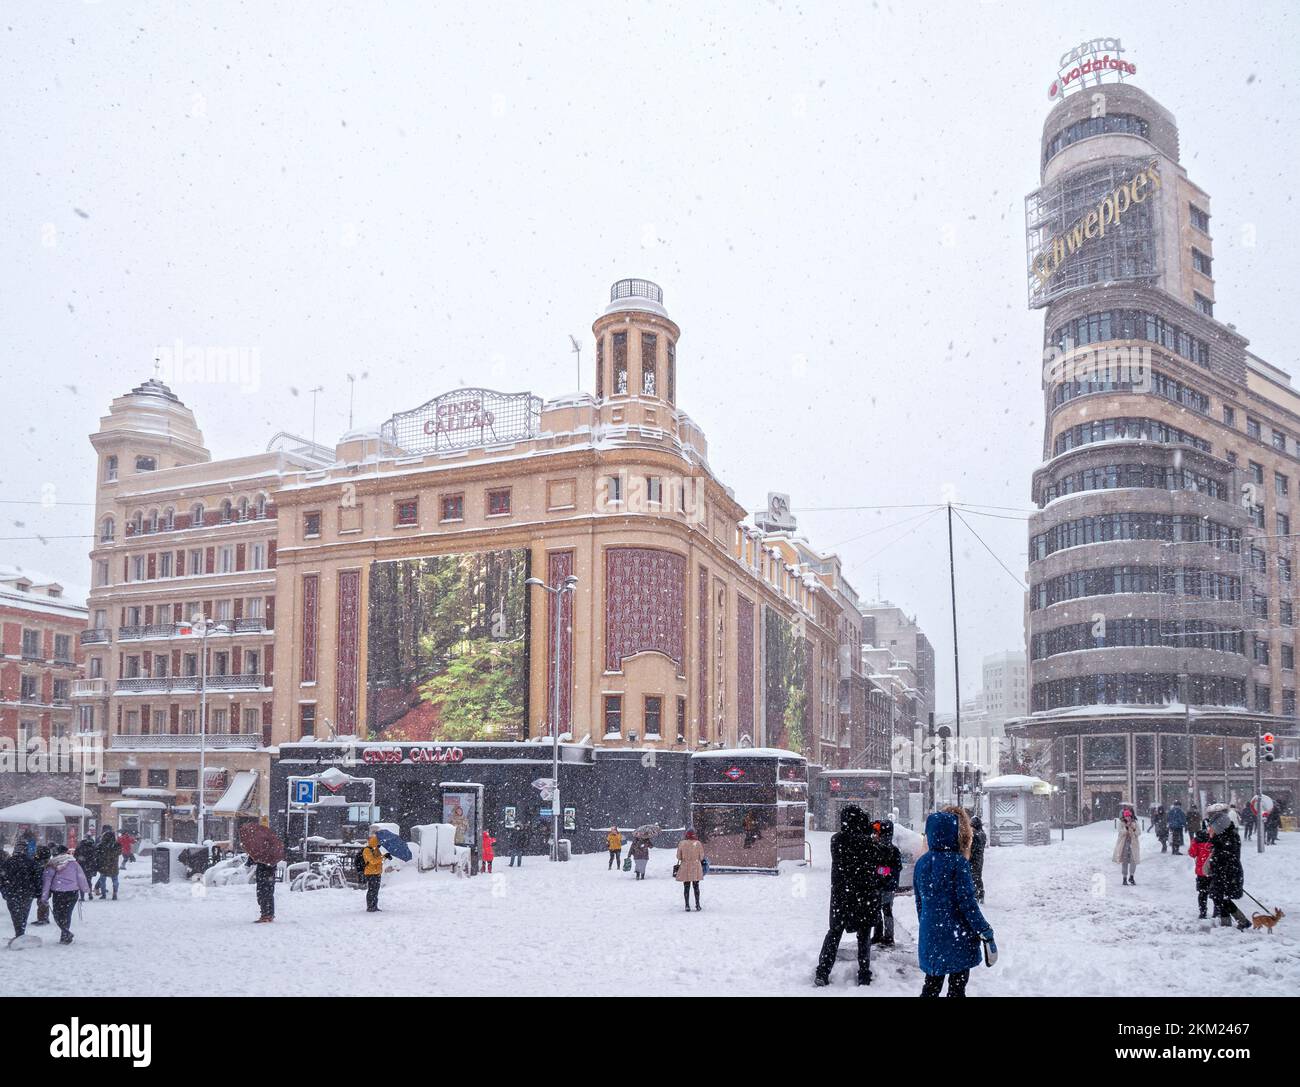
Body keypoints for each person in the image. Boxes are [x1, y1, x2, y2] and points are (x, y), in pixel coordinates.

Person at [914, 810, 995, 997]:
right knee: (957, 987)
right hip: (958, 937)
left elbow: (920, 904)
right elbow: (968, 904)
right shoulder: (958, 863)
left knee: (931, 985)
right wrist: (984, 930)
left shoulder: (922, 863)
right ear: (953, 831)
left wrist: (929, 926)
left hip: (932, 934)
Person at [815, 805, 881, 986]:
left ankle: (822, 971)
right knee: (864, 935)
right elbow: (877, 862)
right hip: (864, 895)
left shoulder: (836, 840)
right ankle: (864, 973)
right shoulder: (868, 843)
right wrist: (871, 831)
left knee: (834, 933)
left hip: (841, 896)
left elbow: (851, 843)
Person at [1206, 805, 1251, 930]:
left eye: (1213, 827)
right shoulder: (1223, 837)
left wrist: (1215, 859)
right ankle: (1230, 922)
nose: (1211, 830)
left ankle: (1236, 921)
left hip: (1228, 873)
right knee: (1220, 898)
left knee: (1222, 898)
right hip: (1224, 873)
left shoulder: (1229, 838)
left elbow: (1227, 857)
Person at [40, 845, 90, 945]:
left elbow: (47, 881)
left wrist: (44, 896)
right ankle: (65, 934)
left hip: (59, 893)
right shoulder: (74, 863)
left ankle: (65, 933)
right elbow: (81, 876)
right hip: (72, 892)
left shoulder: (52, 864)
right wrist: (85, 888)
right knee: (67, 914)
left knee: (57, 915)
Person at [0, 842, 43, 946]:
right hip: (27, 892)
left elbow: (1, 878)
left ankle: (19, 933)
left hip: (12, 892)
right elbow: (38, 878)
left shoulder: (7, 862)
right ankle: (20, 933)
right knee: (24, 913)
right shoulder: (31, 863)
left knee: (15, 914)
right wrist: (38, 892)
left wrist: (4, 891)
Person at [869, 817, 902, 948]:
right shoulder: (888, 849)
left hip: (886, 885)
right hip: (885, 885)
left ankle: (886, 936)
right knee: (882, 910)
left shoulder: (890, 850)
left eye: (878, 833)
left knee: (885, 910)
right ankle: (883, 935)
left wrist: (880, 870)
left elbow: (894, 869)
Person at [1188, 829, 1216, 920]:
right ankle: (1217, 912)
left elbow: (1192, 853)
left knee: (1202, 893)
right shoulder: (1215, 838)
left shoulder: (1198, 839)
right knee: (1216, 893)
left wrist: (1194, 843)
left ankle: (1203, 912)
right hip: (1214, 870)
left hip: (1202, 871)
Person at [675, 829, 705, 912]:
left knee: (686, 886)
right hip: (695, 866)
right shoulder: (698, 843)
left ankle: (687, 905)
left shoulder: (682, 843)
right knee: (696, 886)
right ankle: (697, 905)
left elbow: (678, 857)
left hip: (685, 866)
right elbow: (701, 857)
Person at [361, 833, 390, 913]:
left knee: (376, 891)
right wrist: (383, 857)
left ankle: (375, 906)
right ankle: (370, 907)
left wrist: (386, 856)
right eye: (378, 843)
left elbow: (379, 860)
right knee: (371, 890)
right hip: (370, 873)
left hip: (377, 873)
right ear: (374, 842)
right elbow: (373, 861)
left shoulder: (376, 849)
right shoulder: (367, 850)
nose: (379, 844)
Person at [1113, 806, 1141, 885]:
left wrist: (1133, 829)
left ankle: (1131, 876)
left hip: (1133, 844)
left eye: (1129, 816)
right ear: (1124, 816)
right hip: (1124, 844)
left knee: (1133, 860)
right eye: (1126, 816)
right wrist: (1126, 828)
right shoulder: (1121, 824)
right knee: (1124, 861)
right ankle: (1124, 878)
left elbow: (1138, 833)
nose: (1128, 817)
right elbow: (1120, 833)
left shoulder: (1134, 823)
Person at [245, 856, 277, 923]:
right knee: (269, 894)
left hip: (262, 874)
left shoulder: (260, 849)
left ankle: (265, 914)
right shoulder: (274, 850)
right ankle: (269, 914)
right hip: (270, 874)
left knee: (262, 894)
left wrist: (250, 860)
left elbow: (252, 860)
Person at [95, 826, 121, 900]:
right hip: (114, 865)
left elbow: (96, 853)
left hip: (104, 865)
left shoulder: (101, 845)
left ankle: (103, 894)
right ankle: (115, 893)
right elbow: (119, 853)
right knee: (115, 880)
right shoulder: (117, 845)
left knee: (102, 880)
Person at [73, 836, 99, 903]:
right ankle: (90, 894)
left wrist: (80, 858)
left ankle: (82, 897)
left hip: (81, 867)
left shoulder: (80, 847)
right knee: (89, 881)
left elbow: (75, 856)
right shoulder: (93, 848)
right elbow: (96, 857)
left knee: (81, 881)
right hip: (90, 867)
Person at [968, 816, 988, 903]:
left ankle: (976, 895)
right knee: (978, 876)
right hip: (979, 858)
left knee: (974, 877)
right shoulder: (982, 834)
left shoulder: (975, 835)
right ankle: (980, 894)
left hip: (973, 858)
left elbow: (973, 848)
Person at [32, 845, 52, 925]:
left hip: (43, 884)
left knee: (42, 901)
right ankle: (42, 918)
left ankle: (43, 919)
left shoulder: (42, 862)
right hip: (44, 884)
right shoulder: (45, 861)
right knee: (42, 901)